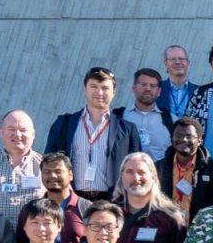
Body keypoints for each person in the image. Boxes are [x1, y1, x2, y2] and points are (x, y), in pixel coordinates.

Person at [44, 67, 143, 201]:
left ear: (114, 92)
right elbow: (48, 160)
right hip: (71, 199)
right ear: (85, 88)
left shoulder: (127, 130)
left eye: (105, 87)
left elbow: (137, 167)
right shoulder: (64, 123)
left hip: (111, 202)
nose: (99, 92)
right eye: (94, 86)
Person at [0, 109, 45, 220]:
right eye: (11, 129)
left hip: (33, 235)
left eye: (23, 130)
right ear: (1, 132)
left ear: (33, 134)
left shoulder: (46, 165)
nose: (17, 134)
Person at [161, 117, 213, 220]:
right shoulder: (158, 167)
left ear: (199, 140)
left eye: (189, 136)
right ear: (171, 138)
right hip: (165, 226)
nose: (183, 139)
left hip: (197, 229)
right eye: (178, 135)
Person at [120, 67, 172, 161]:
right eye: (143, 84)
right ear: (134, 88)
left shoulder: (172, 121)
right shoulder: (119, 117)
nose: (148, 89)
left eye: (153, 86)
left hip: (159, 174)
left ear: (159, 91)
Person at [38, 153, 88, 243]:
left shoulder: (87, 208)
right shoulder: (31, 209)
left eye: (58, 171)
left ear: (70, 175)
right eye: (47, 171)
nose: (52, 175)